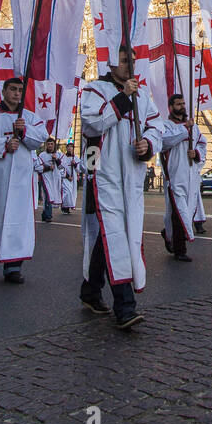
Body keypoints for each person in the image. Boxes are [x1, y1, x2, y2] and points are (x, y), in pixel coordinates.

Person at [79, 45, 162, 330]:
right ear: (112, 63)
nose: (131, 65)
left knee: (117, 233)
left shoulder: (143, 94)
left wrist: (147, 145)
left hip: (132, 177)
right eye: (125, 60)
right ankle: (125, 307)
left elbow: (155, 126)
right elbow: (93, 124)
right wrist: (124, 96)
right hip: (104, 177)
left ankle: (90, 291)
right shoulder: (94, 89)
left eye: (133, 60)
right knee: (115, 235)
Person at [0, 77, 49, 283]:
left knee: (17, 222)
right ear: (4, 91)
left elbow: (40, 138)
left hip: (20, 183)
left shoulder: (30, 117)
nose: (16, 93)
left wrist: (24, 131)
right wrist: (4, 144)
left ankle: (13, 266)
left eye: (20, 90)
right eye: (12, 89)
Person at [159, 93, 205, 262]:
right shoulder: (165, 125)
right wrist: (185, 129)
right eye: (178, 104)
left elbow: (202, 143)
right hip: (175, 175)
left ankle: (168, 233)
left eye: (184, 103)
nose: (182, 106)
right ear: (171, 107)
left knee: (187, 209)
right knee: (179, 211)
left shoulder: (195, 126)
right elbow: (164, 142)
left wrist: (197, 153)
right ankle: (180, 249)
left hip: (191, 174)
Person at [36, 138, 65, 222]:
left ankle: (45, 214)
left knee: (50, 197)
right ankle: (48, 215)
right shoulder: (42, 155)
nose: (50, 146)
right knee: (48, 196)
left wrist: (56, 159)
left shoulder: (59, 154)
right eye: (48, 144)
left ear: (54, 145)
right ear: (46, 145)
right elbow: (38, 167)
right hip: (46, 178)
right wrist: (48, 168)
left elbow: (62, 167)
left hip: (55, 179)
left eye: (52, 144)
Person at [60, 143, 80, 215]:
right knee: (67, 192)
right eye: (68, 147)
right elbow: (61, 168)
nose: (69, 148)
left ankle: (68, 207)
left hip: (73, 178)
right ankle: (64, 207)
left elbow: (79, 170)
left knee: (72, 193)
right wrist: (67, 176)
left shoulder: (76, 158)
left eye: (71, 147)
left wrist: (75, 164)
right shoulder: (63, 157)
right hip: (66, 178)